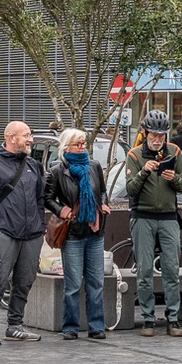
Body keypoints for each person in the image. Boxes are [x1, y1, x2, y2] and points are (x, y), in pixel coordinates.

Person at [0, 120, 45, 344]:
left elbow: (39, 197)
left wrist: (40, 227)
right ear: (12, 138)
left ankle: (15, 325)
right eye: (26, 135)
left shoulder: (33, 164)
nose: (30, 139)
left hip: (31, 233)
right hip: (4, 232)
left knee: (25, 281)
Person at [125, 110, 182, 338]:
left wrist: (174, 179)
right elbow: (130, 189)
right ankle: (148, 319)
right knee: (144, 270)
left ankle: (173, 319)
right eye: (154, 135)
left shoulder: (174, 152)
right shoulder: (134, 154)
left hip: (169, 216)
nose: (158, 139)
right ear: (145, 132)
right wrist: (144, 171)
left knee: (172, 269)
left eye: (162, 135)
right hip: (143, 217)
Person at [44, 127, 109, 340]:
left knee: (96, 283)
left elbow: (101, 191)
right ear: (66, 147)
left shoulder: (94, 166)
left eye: (84, 144)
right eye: (78, 144)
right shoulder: (57, 170)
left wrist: (103, 204)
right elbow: (48, 198)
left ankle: (96, 326)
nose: (82, 148)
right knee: (73, 284)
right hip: (72, 233)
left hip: (94, 231)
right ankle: (70, 327)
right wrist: (63, 210)